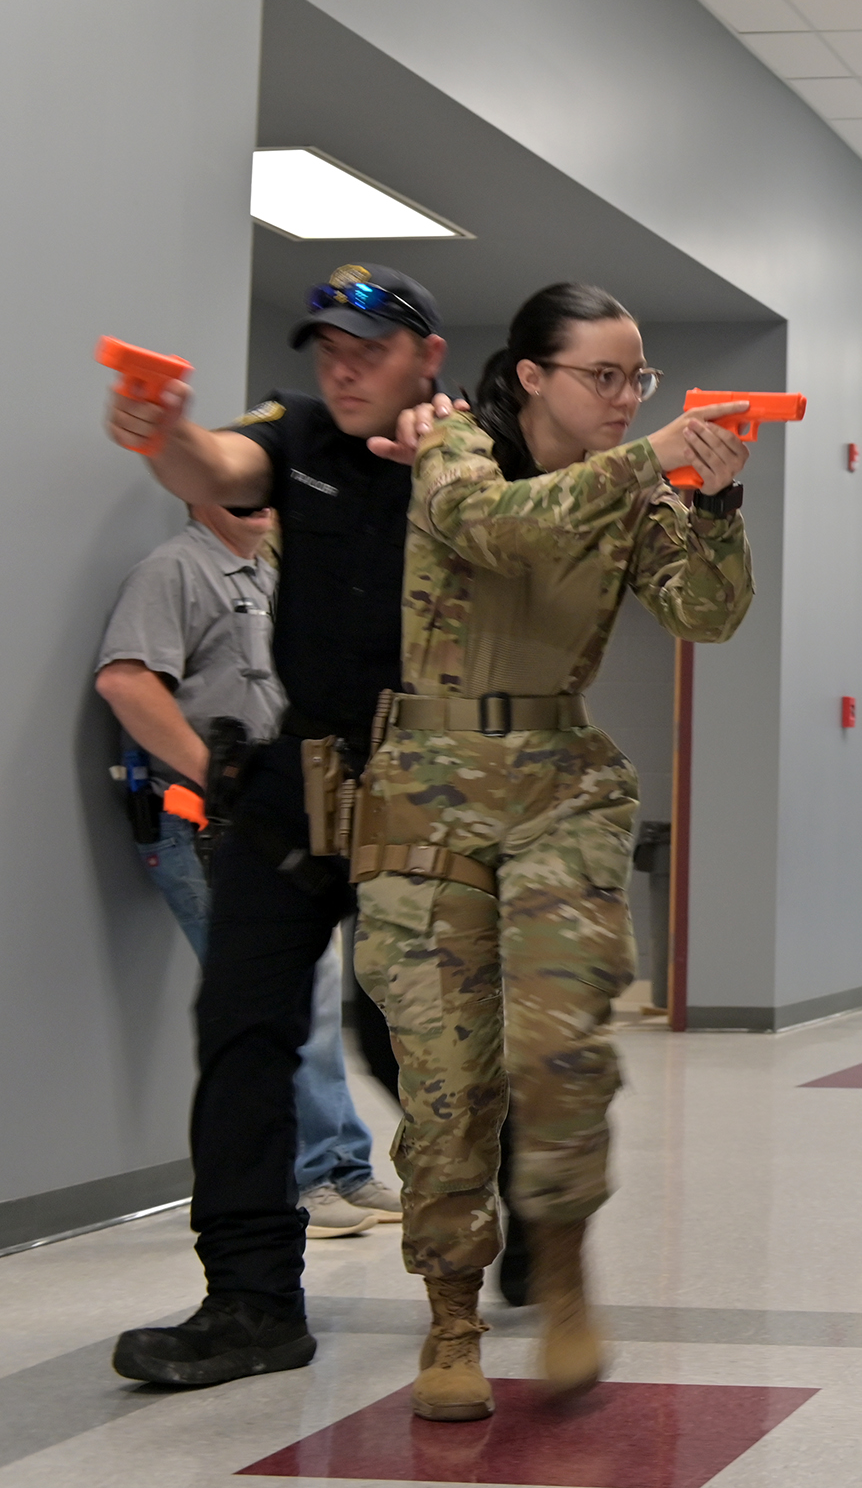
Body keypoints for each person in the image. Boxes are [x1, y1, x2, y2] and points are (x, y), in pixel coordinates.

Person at [354, 282, 754, 1422]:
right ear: (532, 376)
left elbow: (706, 616)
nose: (629, 399)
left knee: (563, 1046)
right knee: (446, 1077)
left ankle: (568, 1271)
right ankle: (452, 1313)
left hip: (562, 786)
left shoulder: (634, 489)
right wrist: (649, 462)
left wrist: (719, 507)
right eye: (606, 376)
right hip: (426, 794)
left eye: (641, 380)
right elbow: (498, 531)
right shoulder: (457, 458)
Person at [106, 265, 452, 1388]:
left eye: (368, 347)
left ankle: (499, 1225)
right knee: (243, 1027)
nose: (341, 367)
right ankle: (251, 1299)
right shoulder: (294, 432)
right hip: (295, 781)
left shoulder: (471, 456)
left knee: (396, 1030)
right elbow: (214, 465)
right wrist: (161, 432)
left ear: (425, 355)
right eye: (327, 347)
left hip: (427, 784)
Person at [95, 506, 400, 1240]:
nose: (258, 502)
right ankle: (312, 1173)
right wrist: (217, 783)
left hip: (280, 819)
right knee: (273, 1001)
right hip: (202, 820)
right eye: (238, 489)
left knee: (316, 993)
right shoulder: (176, 570)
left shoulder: (269, 576)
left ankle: (340, 1168)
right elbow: (126, 681)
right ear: (200, 495)